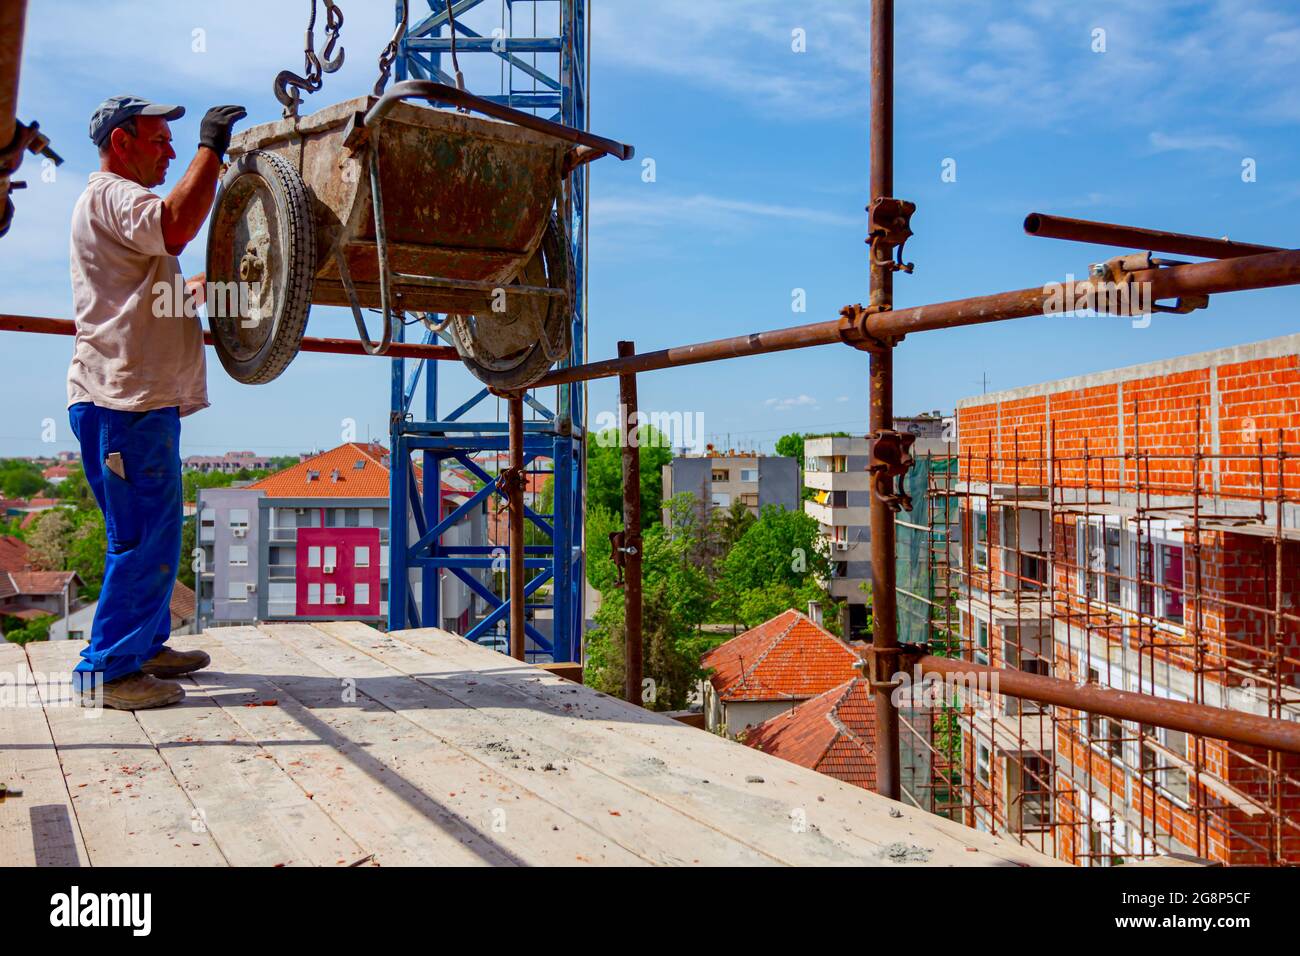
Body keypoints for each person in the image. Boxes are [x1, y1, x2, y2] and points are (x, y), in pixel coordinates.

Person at [68, 95, 246, 710]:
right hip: (120, 404)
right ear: (121, 143)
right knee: (139, 537)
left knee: (159, 534)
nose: (170, 150)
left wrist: (207, 293)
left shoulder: (119, 213)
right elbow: (175, 224)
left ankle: (142, 648)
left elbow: (155, 298)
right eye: (158, 139)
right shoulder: (114, 196)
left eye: (178, 142)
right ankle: (108, 672)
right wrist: (212, 147)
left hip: (138, 402)